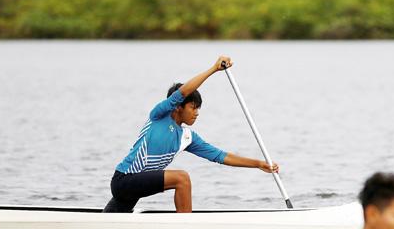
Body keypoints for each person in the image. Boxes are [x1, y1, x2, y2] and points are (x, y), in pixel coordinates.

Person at [103, 56, 279, 213]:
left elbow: (221, 156)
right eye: (193, 107)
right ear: (178, 106)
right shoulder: (159, 115)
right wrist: (213, 69)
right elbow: (184, 92)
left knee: (109, 226)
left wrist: (257, 164)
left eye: (198, 109)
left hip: (132, 191)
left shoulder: (187, 137)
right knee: (182, 178)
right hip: (124, 180)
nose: (197, 113)